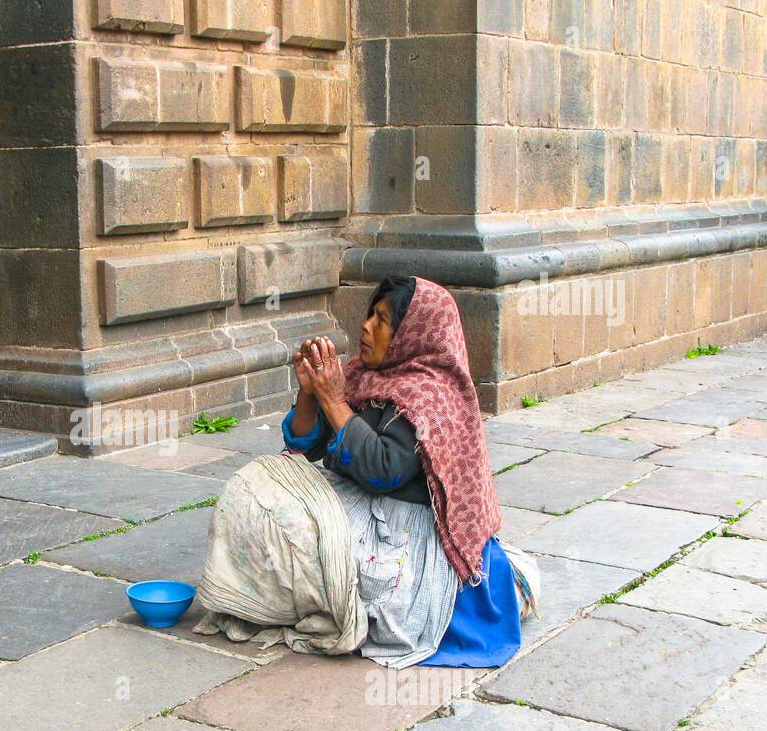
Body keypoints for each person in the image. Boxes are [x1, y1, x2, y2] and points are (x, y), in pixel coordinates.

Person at [198, 275, 535, 668]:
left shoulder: (432, 396)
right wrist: (309, 393)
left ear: (413, 335)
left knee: (308, 551)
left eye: (382, 320)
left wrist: (332, 399)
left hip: (402, 527)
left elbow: (384, 469)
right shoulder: (365, 374)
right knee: (258, 499)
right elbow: (307, 444)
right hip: (356, 500)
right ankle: (249, 595)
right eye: (370, 314)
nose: (366, 326)